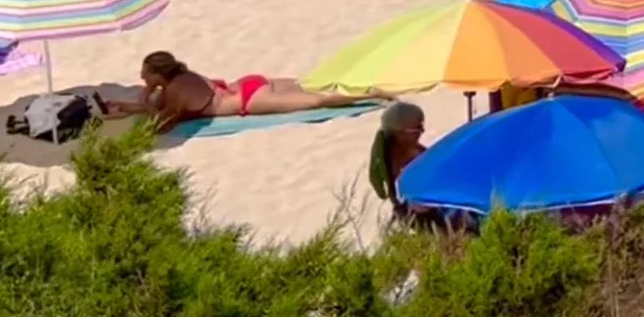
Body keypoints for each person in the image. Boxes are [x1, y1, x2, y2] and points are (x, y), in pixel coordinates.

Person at [102, 51, 366, 134]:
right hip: (251, 83)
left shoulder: (175, 93)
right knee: (315, 85)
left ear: (159, 75)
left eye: (145, 74)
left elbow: (161, 127)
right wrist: (140, 99)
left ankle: (371, 94)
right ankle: (356, 82)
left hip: (251, 101)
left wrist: (142, 103)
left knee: (317, 102)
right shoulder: (183, 75)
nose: (141, 77)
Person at [366, 101, 428, 212]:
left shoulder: (406, 147)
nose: (422, 131)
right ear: (400, 133)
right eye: (418, 128)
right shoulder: (401, 158)